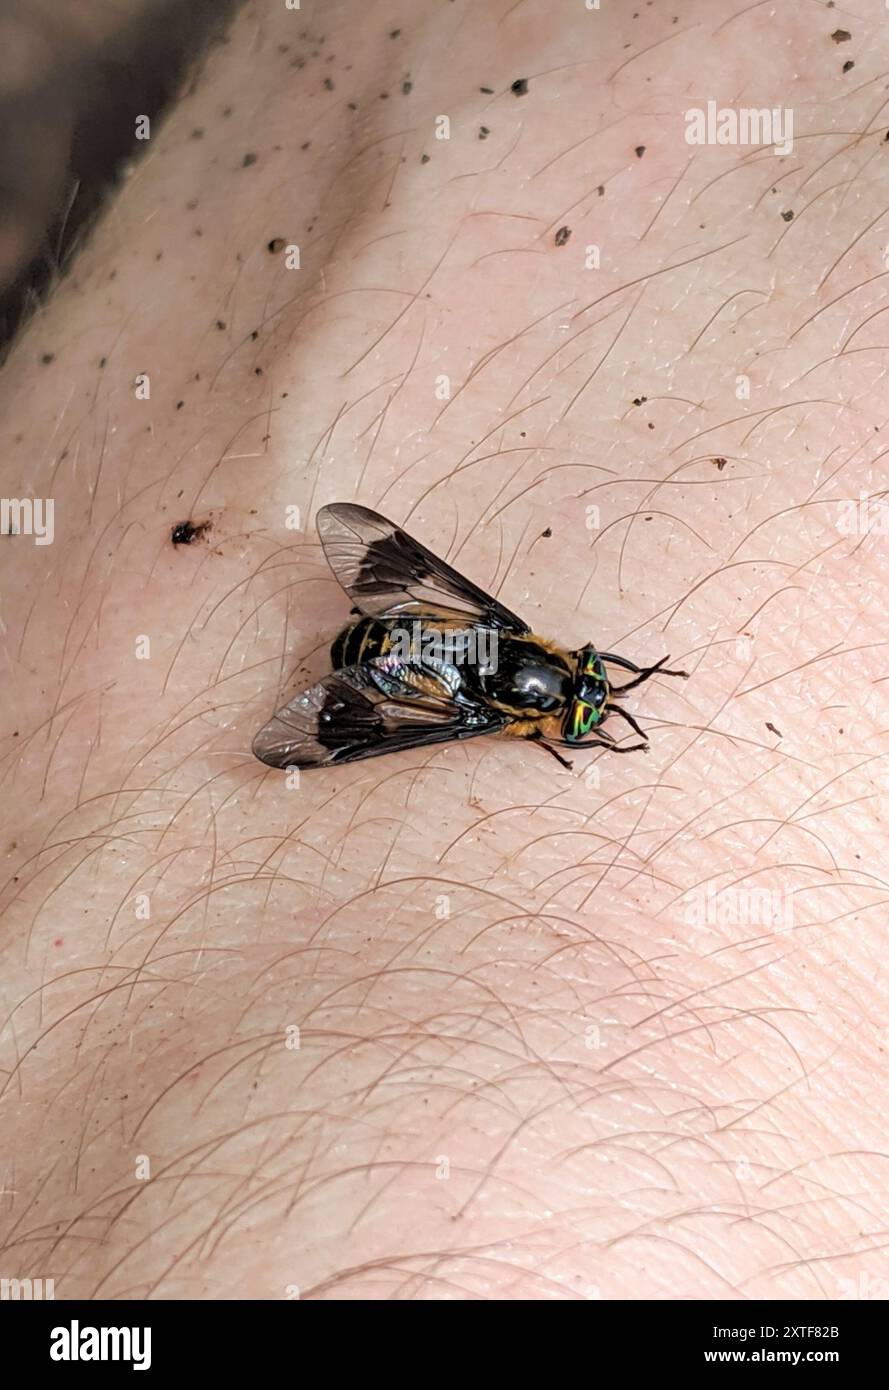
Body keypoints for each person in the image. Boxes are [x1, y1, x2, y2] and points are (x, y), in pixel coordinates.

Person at [1, 0, 883, 1301]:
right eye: (582, 698)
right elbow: (478, 698)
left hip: (435, 632)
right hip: (421, 666)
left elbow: (426, 603)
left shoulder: (511, 650)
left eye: (582, 698)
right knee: (409, 704)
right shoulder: (523, 708)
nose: (584, 699)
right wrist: (489, 715)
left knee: (429, 655)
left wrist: (461, 687)